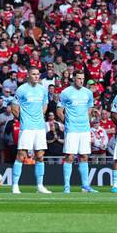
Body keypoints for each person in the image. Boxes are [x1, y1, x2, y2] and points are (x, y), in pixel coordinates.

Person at [11, 66, 51, 194]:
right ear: (28, 75)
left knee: (39, 156)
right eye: (33, 74)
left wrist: (40, 115)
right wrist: (23, 120)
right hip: (27, 128)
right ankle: (15, 185)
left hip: (39, 127)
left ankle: (40, 186)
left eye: (38, 74)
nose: (36, 76)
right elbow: (14, 108)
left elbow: (45, 104)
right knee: (21, 155)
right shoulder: (21, 90)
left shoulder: (43, 90)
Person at [59, 72, 98, 194]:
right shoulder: (66, 92)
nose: (81, 81)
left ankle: (85, 186)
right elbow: (59, 111)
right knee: (69, 156)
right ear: (73, 79)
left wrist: (85, 120)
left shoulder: (88, 93)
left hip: (84, 130)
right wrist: (68, 123)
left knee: (84, 156)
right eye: (79, 78)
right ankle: (66, 186)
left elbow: (90, 109)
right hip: (71, 130)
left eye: (83, 79)